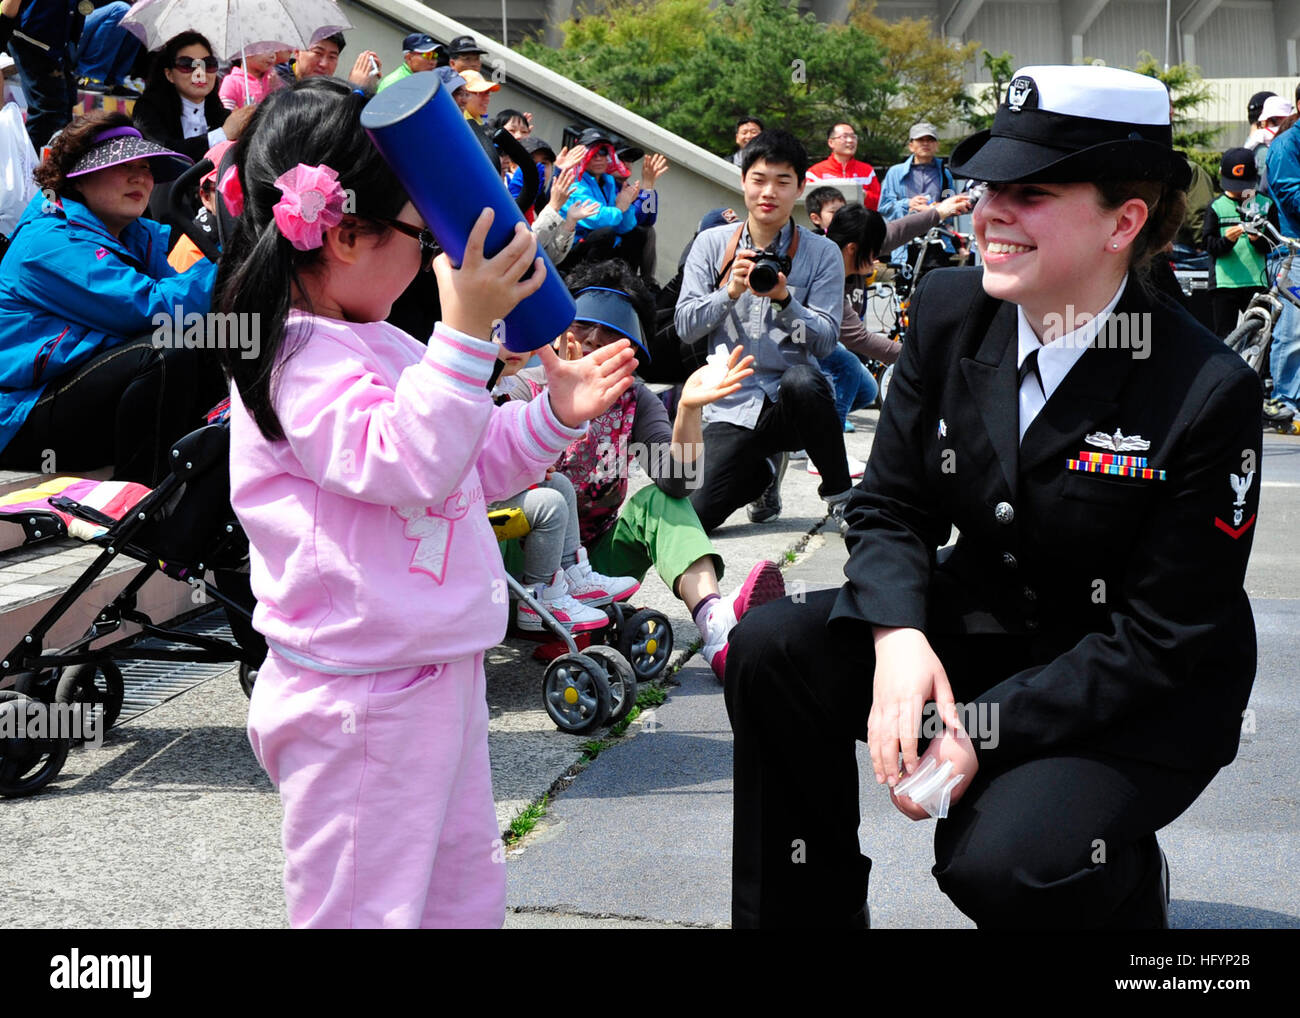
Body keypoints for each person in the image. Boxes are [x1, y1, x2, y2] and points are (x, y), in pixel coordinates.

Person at [725, 64, 1262, 929]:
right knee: (771, 648)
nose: (989, 213)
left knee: (1005, 864)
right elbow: (893, 505)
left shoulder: (1200, 388)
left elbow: (1164, 637)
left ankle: (1116, 888)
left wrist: (980, 727)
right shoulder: (950, 308)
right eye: (986, 187)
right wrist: (896, 633)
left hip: (1135, 684)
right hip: (985, 628)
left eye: (1032, 191)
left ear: (1125, 220)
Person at [216, 79, 638, 928]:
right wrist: (465, 332)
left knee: (458, 893)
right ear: (341, 233)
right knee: (368, 911)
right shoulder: (300, 358)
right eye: (423, 235)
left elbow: (462, 461)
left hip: (428, 671)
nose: (430, 259)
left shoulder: (380, 339)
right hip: (357, 696)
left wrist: (553, 416)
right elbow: (402, 462)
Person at [501, 259, 786, 681]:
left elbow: (679, 483)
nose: (595, 341)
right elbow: (498, 469)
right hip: (512, 576)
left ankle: (715, 625)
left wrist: (689, 409)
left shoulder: (634, 401)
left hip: (589, 576)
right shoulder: (524, 382)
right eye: (583, 325)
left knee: (661, 502)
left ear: (631, 349)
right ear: (560, 329)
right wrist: (566, 406)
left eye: (613, 333)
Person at [0, 110, 221, 485]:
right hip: (18, 417)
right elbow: (156, 309)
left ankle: (199, 487)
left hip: (72, 401)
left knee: (215, 338)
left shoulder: (136, 236)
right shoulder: (48, 242)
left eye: (147, 166)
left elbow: (194, 310)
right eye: (123, 164)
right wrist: (239, 262)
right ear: (76, 177)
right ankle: (141, 504)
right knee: (167, 349)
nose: (140, 176)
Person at [675, 129, 850, 533]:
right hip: (731, 402)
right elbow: (685, 327)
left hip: (791, 402)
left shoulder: (822, 252)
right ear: (742, 182)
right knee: (697, 515)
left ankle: (841, 496)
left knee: (804, 379)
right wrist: (729, 292)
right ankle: (763, 475)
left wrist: (787, 301)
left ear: (801, 188)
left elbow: (824, 342)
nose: (769, 192)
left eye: (783, 181)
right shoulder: (710, 244)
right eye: (759, 179)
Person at [132, 31, 254, 238]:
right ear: (169, 74)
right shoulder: (148, 110)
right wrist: (222, 135)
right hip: (163, 207)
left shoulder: (225, 117)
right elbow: (163, 155)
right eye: (187, 64)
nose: (200, 72)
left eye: (208, 64)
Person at [559, 128, 666, 277]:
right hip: (570, 251)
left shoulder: (609, 182)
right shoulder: (574, 179)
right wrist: (622, 206)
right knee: (607, 233)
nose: (627, 164)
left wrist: (647, 187)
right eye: (622, 158)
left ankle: (632, 285)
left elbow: (645, 220)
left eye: (603, 153)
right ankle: (586, 283)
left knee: (640, 233)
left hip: (605, 245)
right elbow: (600, 221)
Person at [1203, 147, 1278, 338]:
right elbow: (1209, 245)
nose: (1239, 192)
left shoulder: (1265, 204)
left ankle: (1259, 368)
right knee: (1224, 335)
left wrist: (1257, 240)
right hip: (1224, 283)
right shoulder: (1216, 206)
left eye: (1243, 186)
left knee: (1260, 333)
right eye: (1233, 186)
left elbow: (1274, 243)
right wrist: (1227, 240)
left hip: (1256, 280)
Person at [877, 121, 961, 264]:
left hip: (936, 241)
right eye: (920, 140)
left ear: (937, 145)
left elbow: (952, 205)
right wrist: (908, 204)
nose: (925, 144)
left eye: (930, 140)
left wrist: (937, 207)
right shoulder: (895, 173)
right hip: (904, 241)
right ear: (911, 146)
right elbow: (884, 207)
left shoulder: (945, 174)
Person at [4, 0, 82, 150]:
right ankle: (33, 168)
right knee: (48, 111)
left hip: (57, 36)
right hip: (32, 34)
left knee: (63, 108)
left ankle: (49, 165)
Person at [1265, 107, 1300, 427]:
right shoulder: (1287, 144)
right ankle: (1285, 401)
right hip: (1293, 249)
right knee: (1293, 331)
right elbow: (1290, 193)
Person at [807, 122, 880, 210]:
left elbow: (880, 202)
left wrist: (864, 195)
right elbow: (810, 204)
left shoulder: (867, 171)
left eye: (853, 137)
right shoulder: (815, 173)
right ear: (831, 142)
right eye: (844, 137)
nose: (850, 140)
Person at [275, 32, 380, 91]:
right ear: (297, 51)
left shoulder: (330, 90)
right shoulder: (274, 79)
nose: (324, 64)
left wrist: (367, 88)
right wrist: (355, 89)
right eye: (318, 53)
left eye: (332, 57)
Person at [218, 50, 283, 110]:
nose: (272, 56)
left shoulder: (273, 79)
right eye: (266, 49)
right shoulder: (232, 82)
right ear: (246, 52)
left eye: (273, 50)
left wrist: (275, 88)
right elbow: (226, 115)